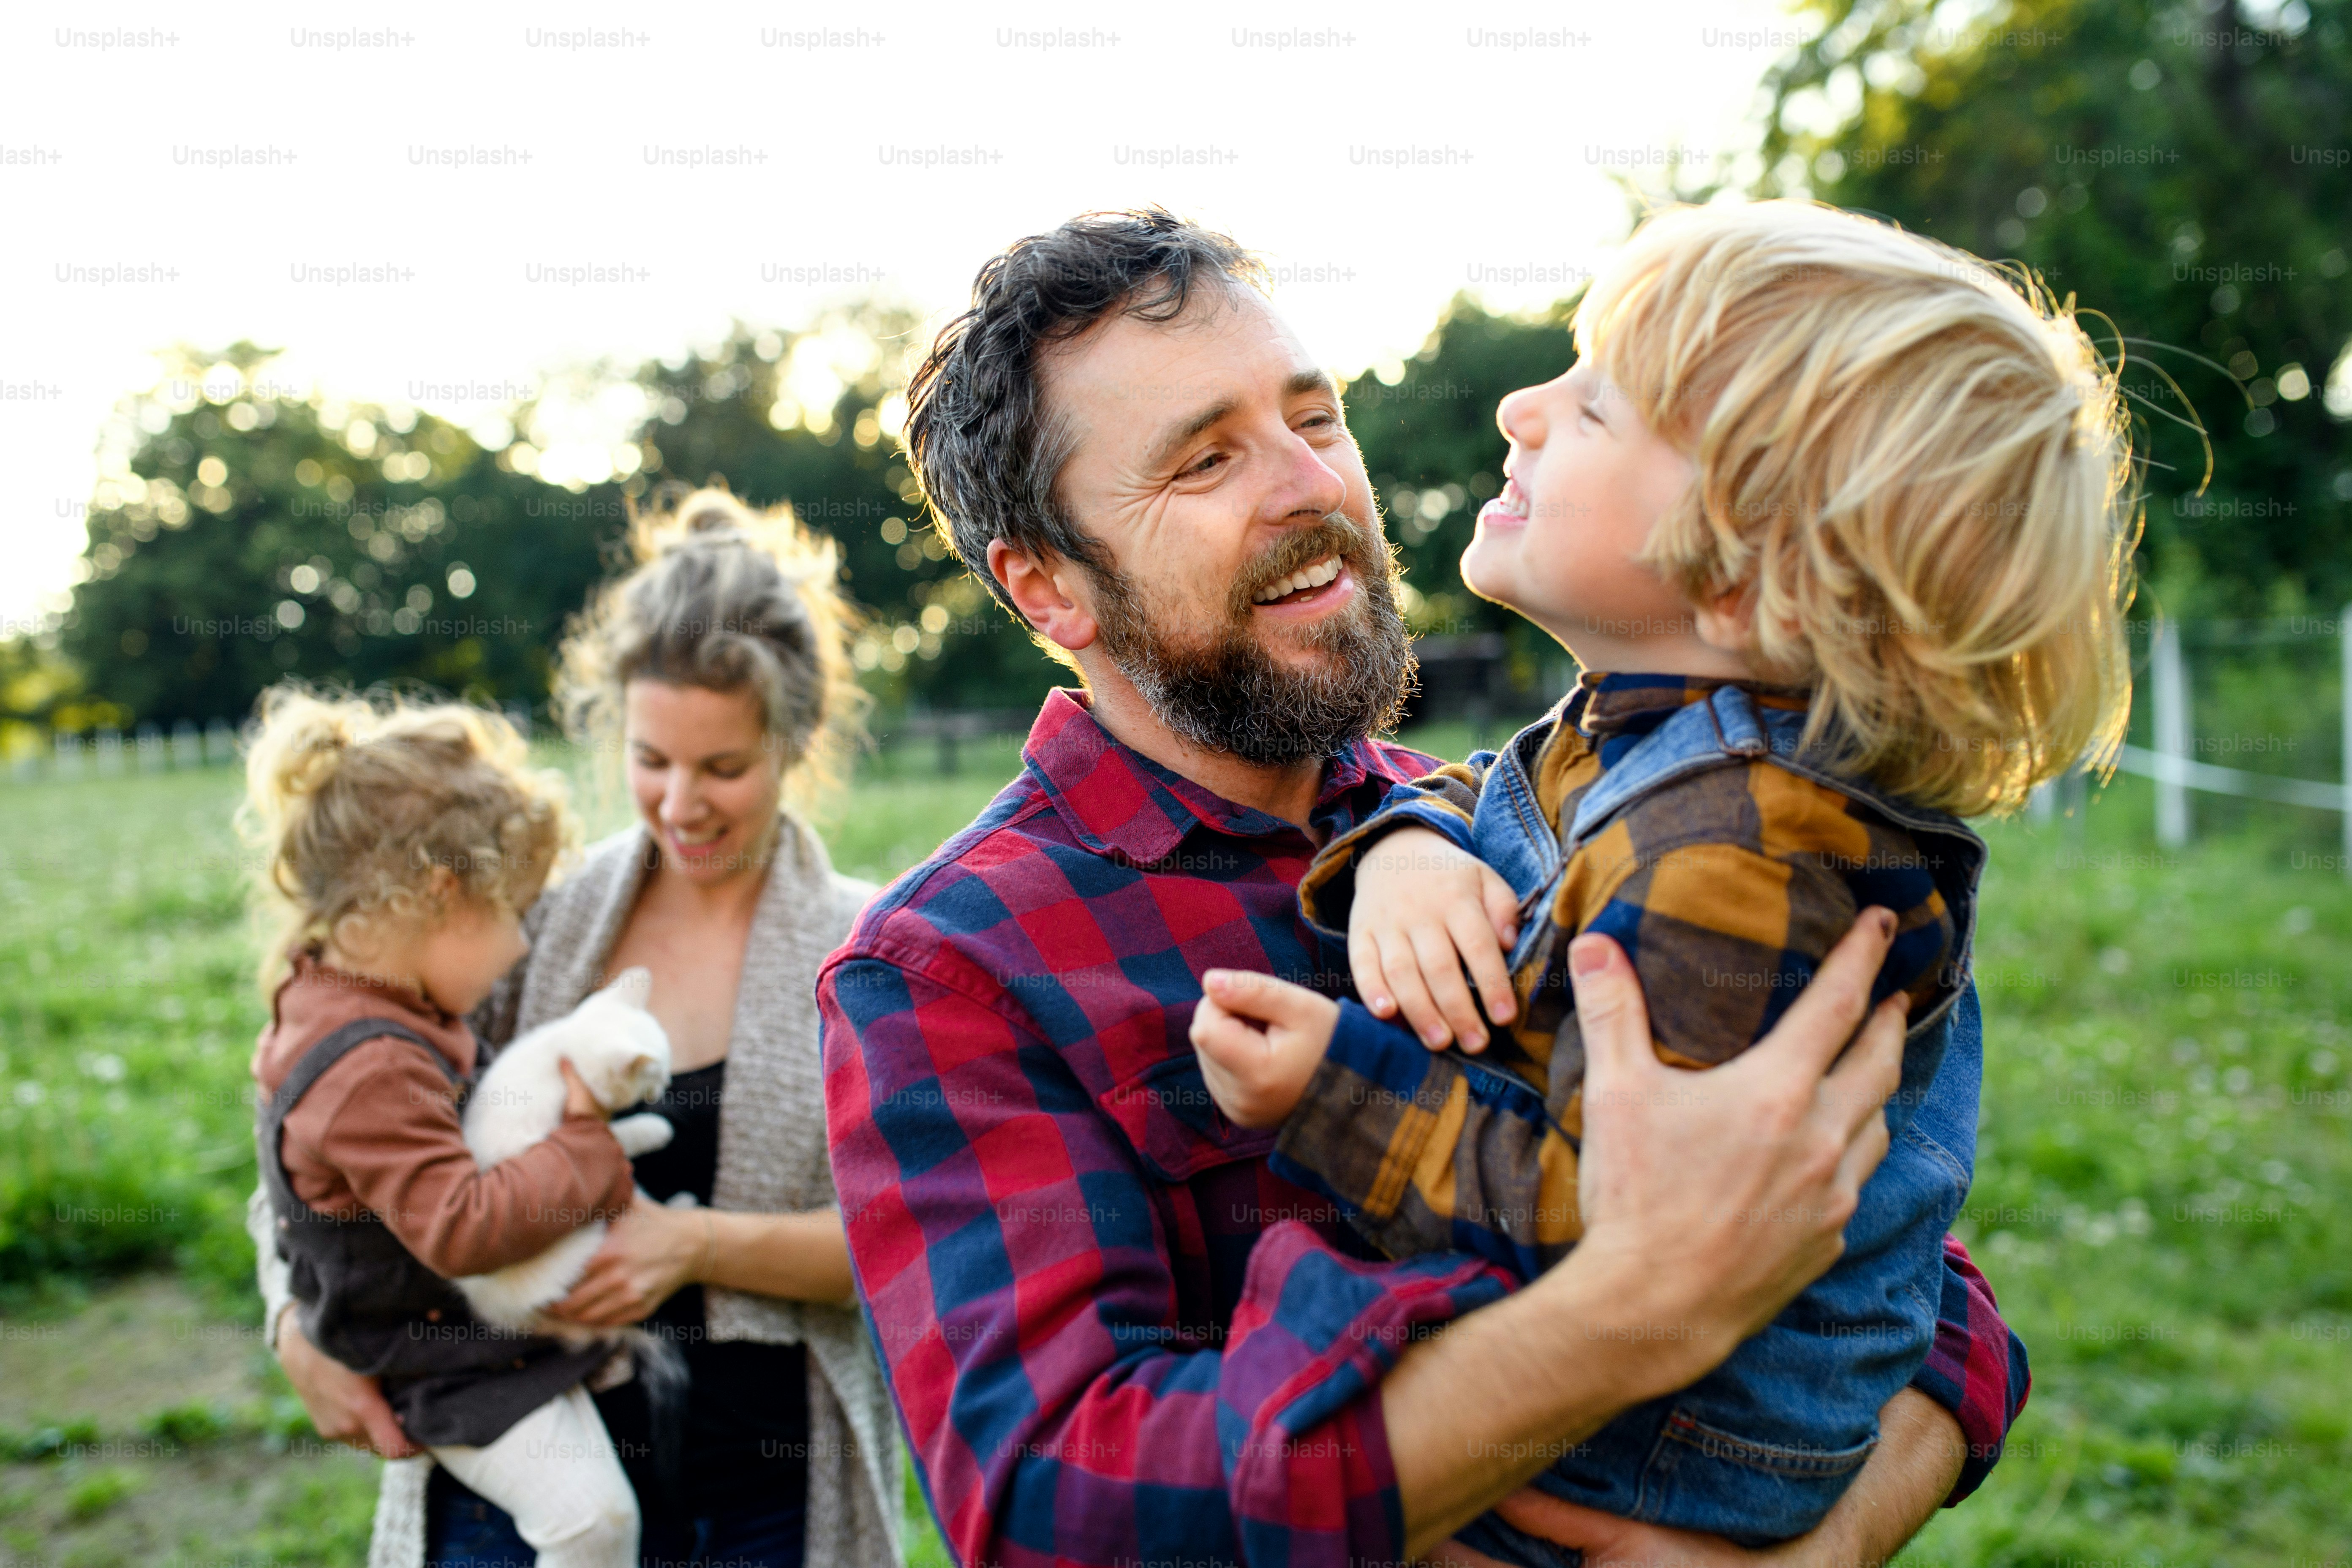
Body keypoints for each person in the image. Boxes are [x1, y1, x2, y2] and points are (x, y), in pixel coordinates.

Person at [817, 208, 2029, 1568]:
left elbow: (1896, 1238)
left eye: (1314, 417)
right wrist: (1634, 1313)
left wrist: (1829, 1542)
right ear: (1049, 591)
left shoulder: (1543, 814)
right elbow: (1060, 1508)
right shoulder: (950, 969)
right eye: (1206, 460)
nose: (1310, 485)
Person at [1190, 198, 2129, 1564]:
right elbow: (1498, 792)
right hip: (1660, 1408)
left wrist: (1330, 1093)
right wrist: (1405, 841)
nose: (1519, 406)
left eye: (1593, 409)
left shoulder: (1741, 861)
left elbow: (1627, 1232)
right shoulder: (1652, 730)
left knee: (1280, 1381)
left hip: (1650, 1463)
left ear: (1752, 579)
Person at [256, 487, 904, 1568]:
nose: (681, 801)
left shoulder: (869, 947)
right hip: (516, 1480)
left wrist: (695, 1244)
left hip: (767, 1496)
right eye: (653, 760)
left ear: (797, 741)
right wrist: (291, 1320)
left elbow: (905, 1240)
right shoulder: (523, 923)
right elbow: (323, 1118)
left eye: (724, 768)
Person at [242, 689, 644, 1567]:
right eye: (509, 913)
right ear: (439, 893)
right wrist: (588, 1149)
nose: (519, 946)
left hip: (456, 1336)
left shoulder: (344, 998)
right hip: (438, 1361)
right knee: (594, 1522)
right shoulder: (372, 1063)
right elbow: (461, 1226)